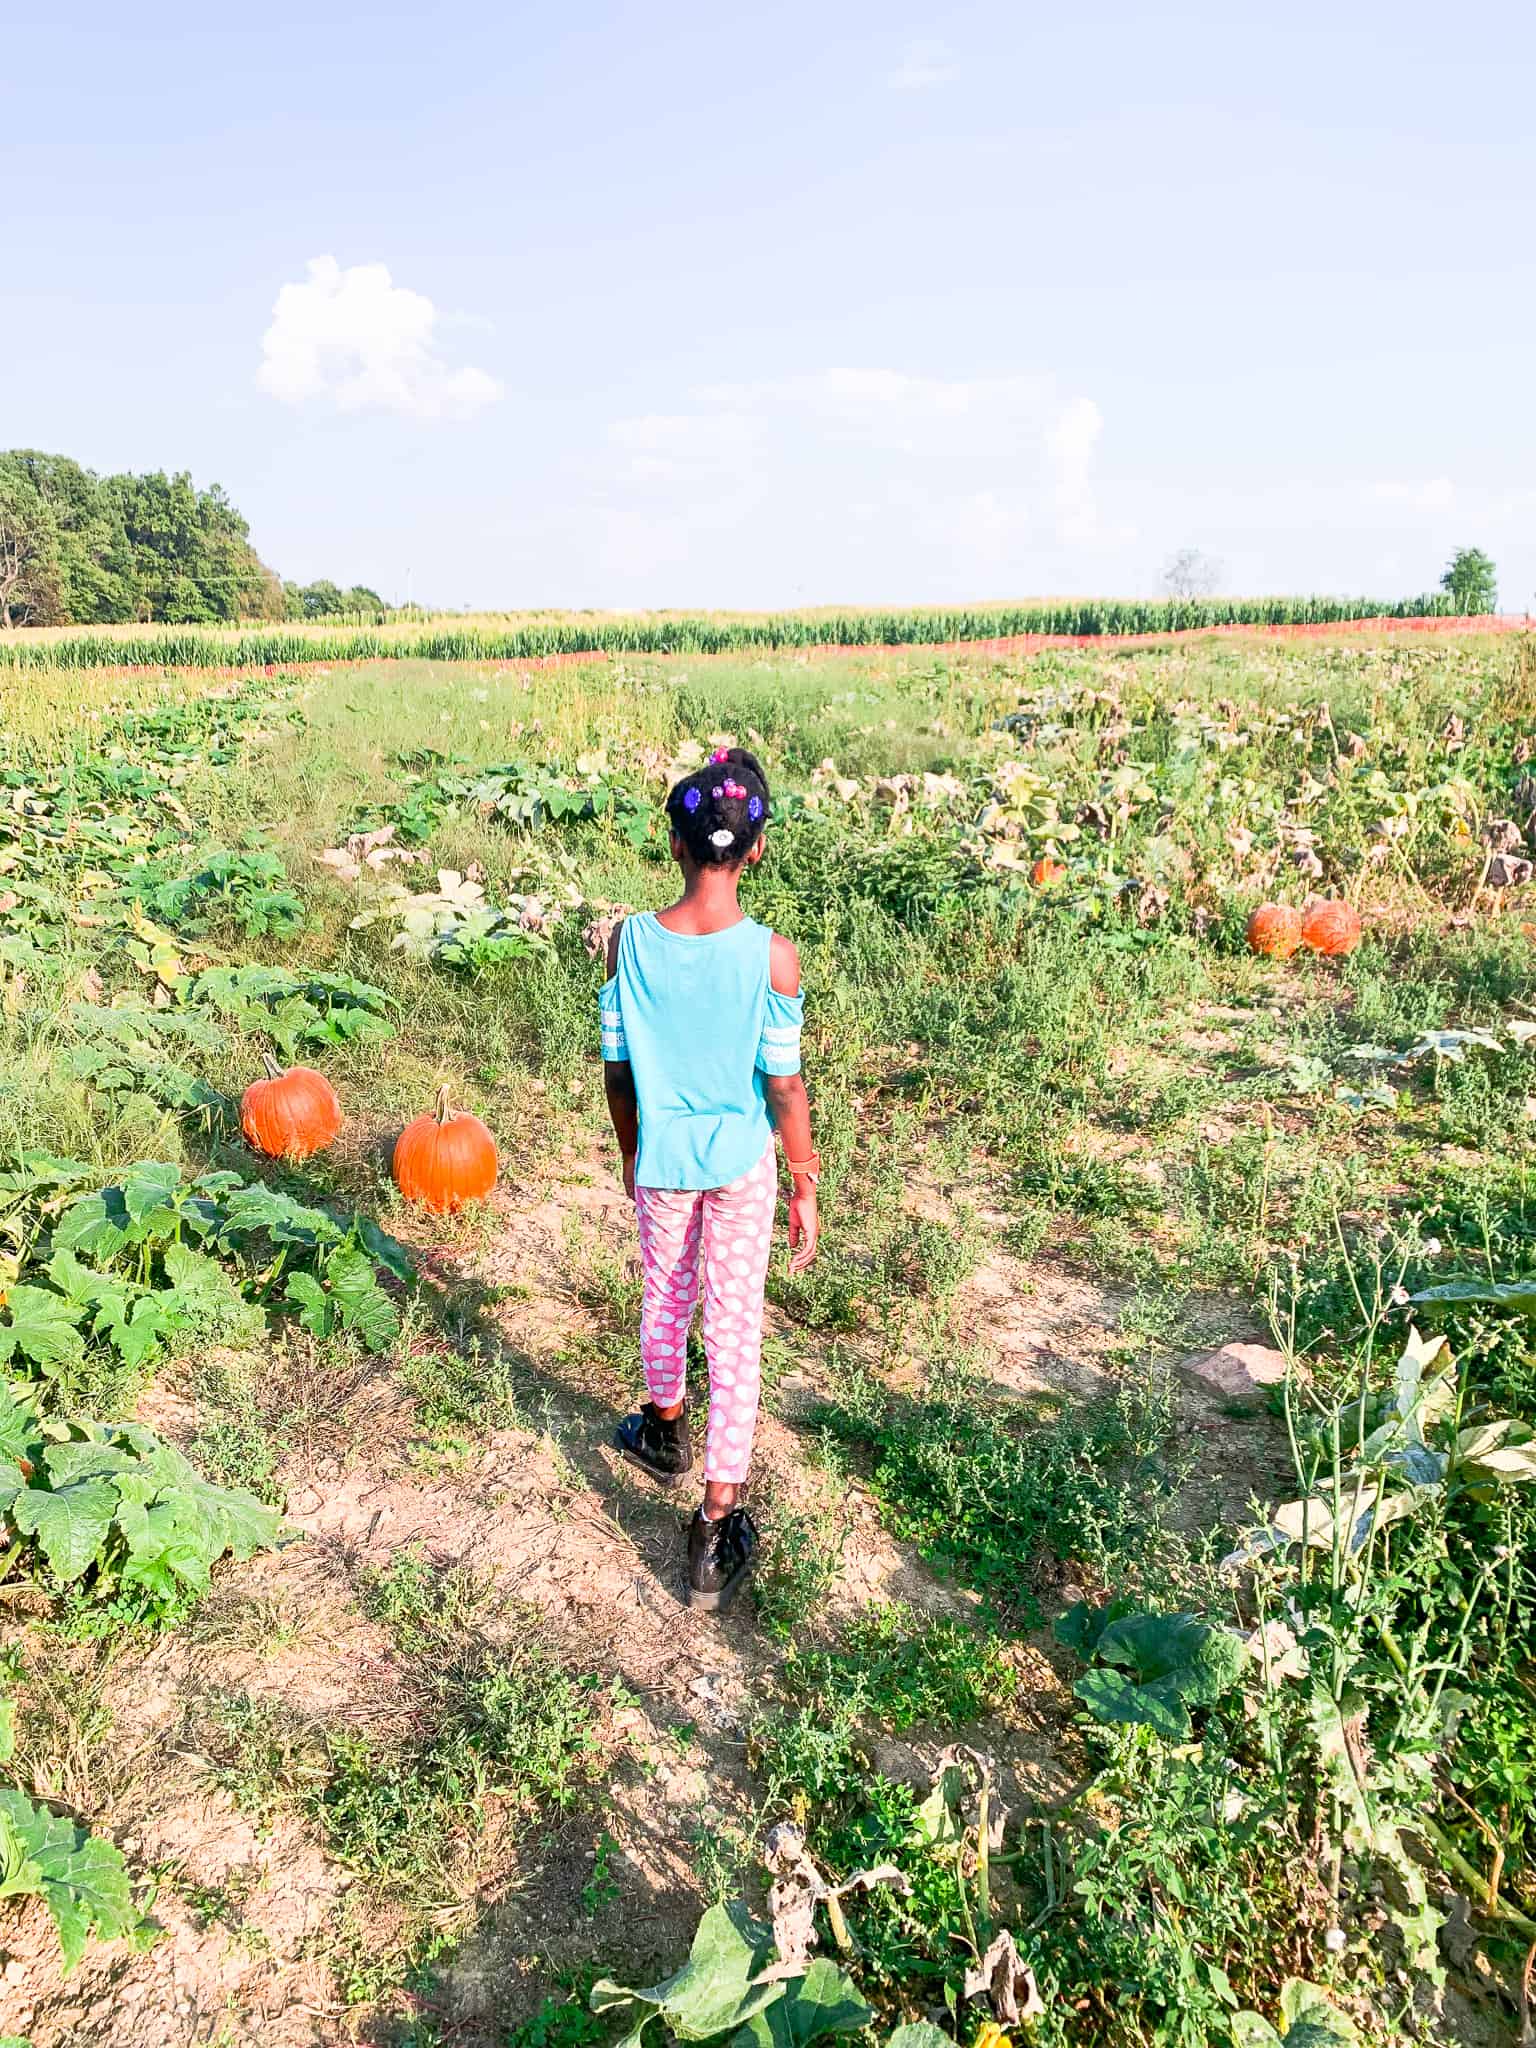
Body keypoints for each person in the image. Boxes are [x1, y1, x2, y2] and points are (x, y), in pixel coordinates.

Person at [599, 745, 820, 1611]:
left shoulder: (628, 943)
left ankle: (662, 1430)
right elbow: (784, 1083)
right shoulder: (774, 958)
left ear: (676, 843)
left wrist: (629, 1148)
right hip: (740, 1162)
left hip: (663, 1160)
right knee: (733, 1327)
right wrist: (802, 1176)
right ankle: (713, 1527)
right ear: (755, 850)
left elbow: (617, 1071)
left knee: (664, 1291)